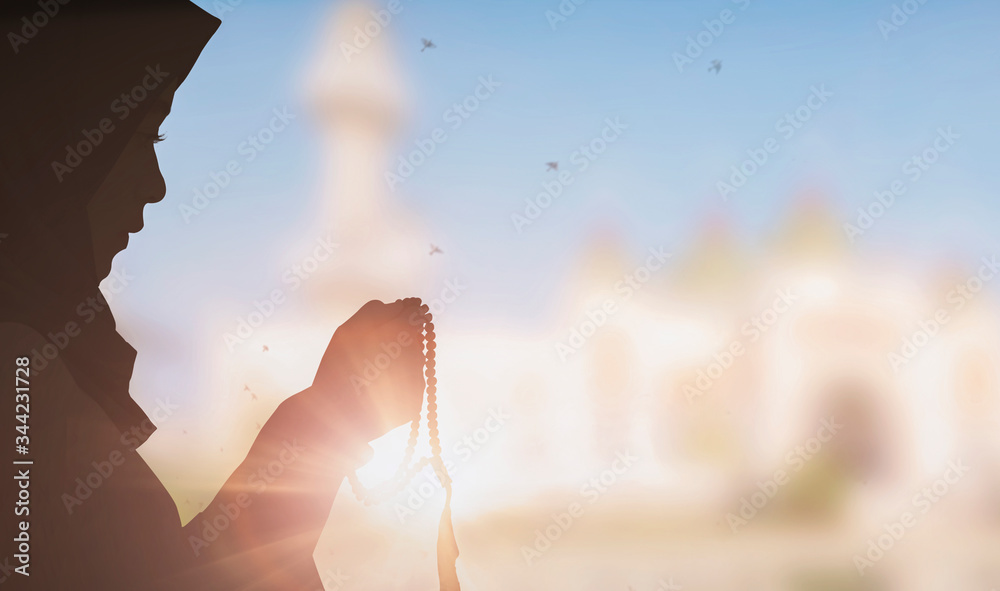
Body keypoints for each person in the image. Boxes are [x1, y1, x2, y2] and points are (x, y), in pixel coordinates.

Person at [0, 1, 426, 588]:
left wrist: (319, 422)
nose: (156, 185)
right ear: (60, 141)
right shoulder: (20, 380)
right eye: (143, 136)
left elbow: (161, 575)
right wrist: (321, 424)